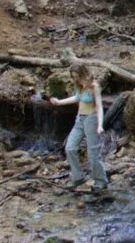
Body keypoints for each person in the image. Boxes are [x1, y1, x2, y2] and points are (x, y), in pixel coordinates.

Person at [41, 61, 109, 193]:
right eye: (73, 76)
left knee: (93, 153)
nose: (75, 79)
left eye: (77, 76)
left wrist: (100, 125)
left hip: (92, 119)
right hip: (80, 119)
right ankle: (78, 177)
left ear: (83, 74)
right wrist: (59, 102)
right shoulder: (78, 85)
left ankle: (100, 180)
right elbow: (77, 98)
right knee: (70, 148)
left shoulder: (94, 86)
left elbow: (100, 107)